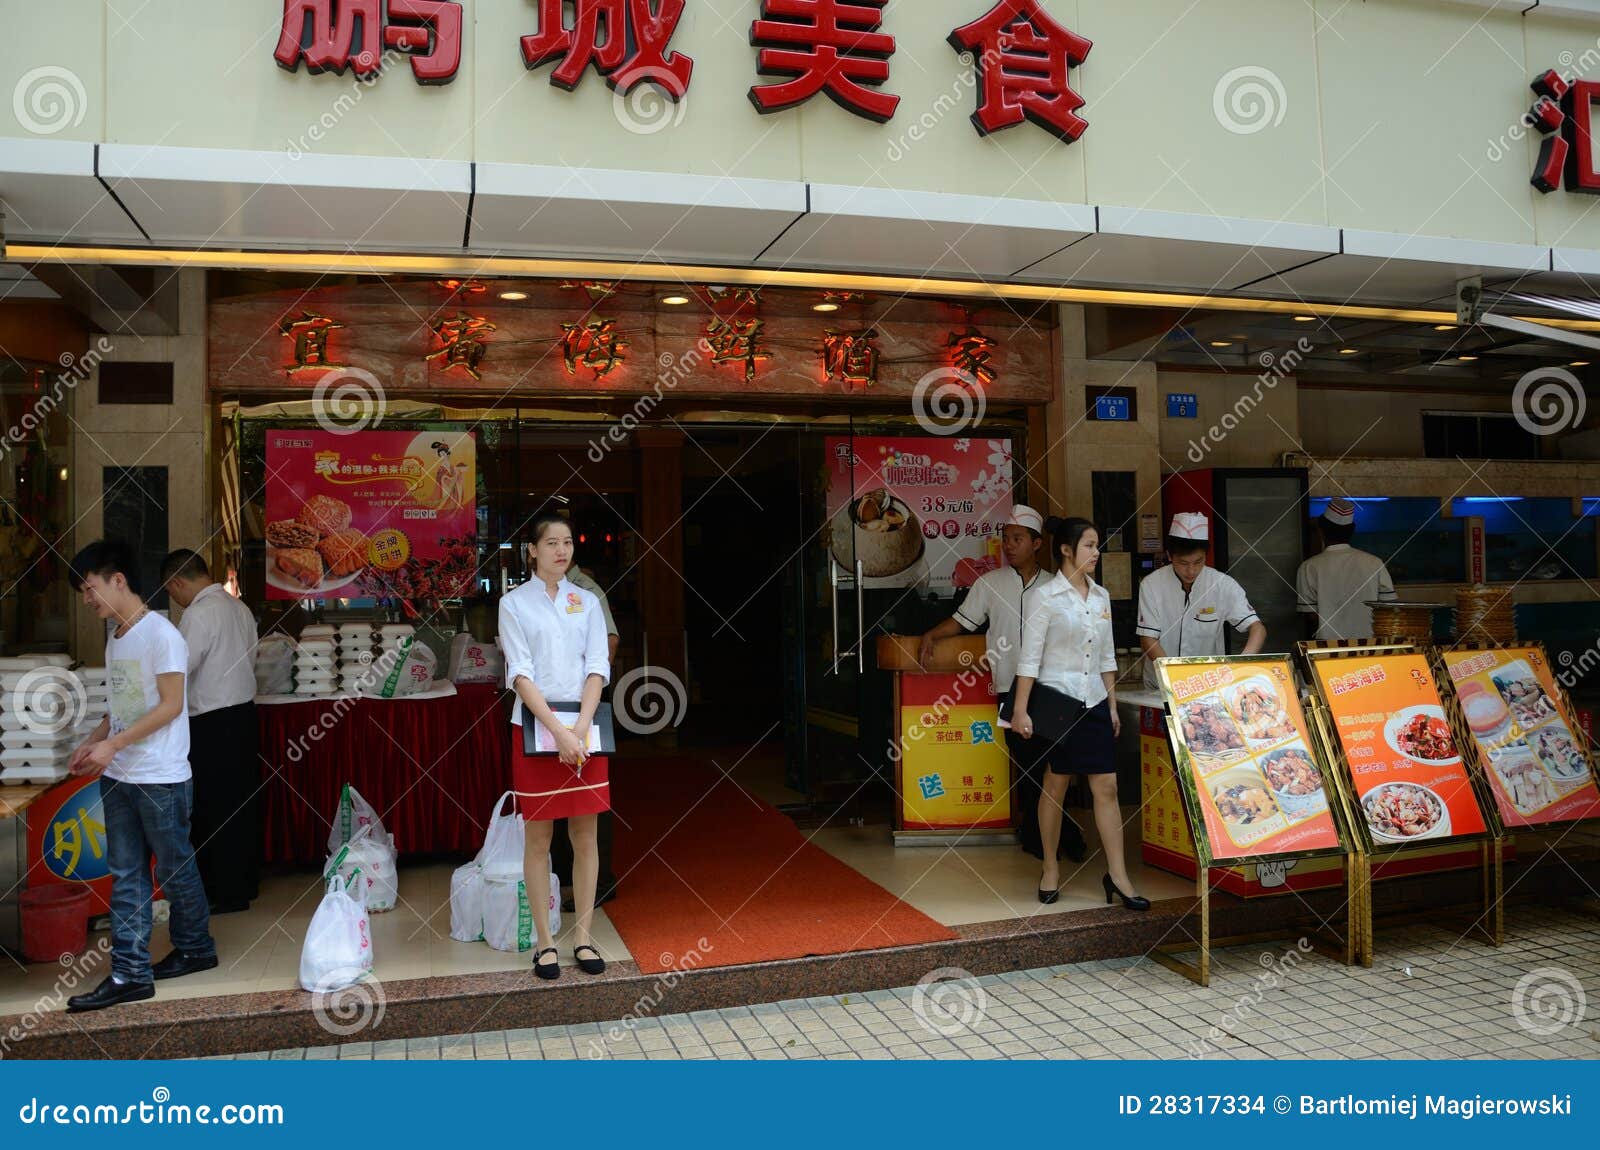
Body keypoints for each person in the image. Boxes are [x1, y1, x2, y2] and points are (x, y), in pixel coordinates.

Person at [64, 540, 217, 1013]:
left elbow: (171, 706)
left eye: (90, 590)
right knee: (126, 873)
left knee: (174, 869)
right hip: (120, 773)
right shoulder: (116, 635)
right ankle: (131, 973)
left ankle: (195, 947)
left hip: (161, 776)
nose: (87, 601)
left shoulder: (162, 634)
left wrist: (114, 745)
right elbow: (123, 707)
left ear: (118, 581)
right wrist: (96, 739)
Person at [917, 505, 1086, 862]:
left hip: (1053, 690)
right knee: (1026, 765)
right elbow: (963, 621)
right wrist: (932, 633)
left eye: (1017, 539)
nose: (1009, 545)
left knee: (1055, 766)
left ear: (1037, 543)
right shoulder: (988, 584)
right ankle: (1041, 838)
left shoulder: (1057, 587)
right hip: (1011, 689)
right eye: (1006, 539)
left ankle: (1058, 836)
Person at [1012, 518, 1149, 912]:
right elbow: (1030, 658)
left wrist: (1111, 703)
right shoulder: (1045, 597)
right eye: (1089, 545)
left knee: (1106, 786)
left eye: (1097, 545)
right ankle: (1050, 868)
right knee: (1055, 784)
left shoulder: (1101, 596)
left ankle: (1119, 875)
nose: (1097, 553)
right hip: (1058, 704)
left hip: (1093, 702)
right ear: (1067, 550)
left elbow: (1106, 657)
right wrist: (1021, 709)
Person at [498, 514, 612, 981]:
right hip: (534, 726)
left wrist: (581, 727)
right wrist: (560, 733)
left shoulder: (585, 601)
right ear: (532, 550)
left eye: (567, 542)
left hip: (585, 729)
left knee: (585, 836)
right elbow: (519, 673)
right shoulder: (513, 604)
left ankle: (583, 936)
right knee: (539, 837)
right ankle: (545, 942)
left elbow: (597, 665)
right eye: (551, 543)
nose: (561, 550)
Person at [161, 548, 261, 914]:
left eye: (171, 593)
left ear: (177, 582)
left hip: (211, 723)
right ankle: (245, 884)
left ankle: (223, 891)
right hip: (244, 716)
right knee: (241, 804)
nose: (174, 600)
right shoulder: (240, 607)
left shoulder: (198, 614)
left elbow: (179, 669)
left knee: (212, 808)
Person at [1136, 512, 1266, 691]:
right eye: (1183, 563)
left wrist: (1240, 664)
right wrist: (1171, 677)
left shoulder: (1222, 584)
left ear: (1206, 555)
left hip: (1209, 684)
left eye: (1198, 562)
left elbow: (1257, 628)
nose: (1191, 570)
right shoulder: (1151, 584)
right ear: (1170, 556)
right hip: (1161, 685)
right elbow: (1148, 638)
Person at [558, 560, 620, 910]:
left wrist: (584, 688)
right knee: (558, 792)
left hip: (584, 705)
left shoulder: (586, 590)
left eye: (562, 543)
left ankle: (601, 882)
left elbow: (608, 645)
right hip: (556, 708)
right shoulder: (537, 595)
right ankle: (565, 875)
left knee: (590, 797)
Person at [1296, 498, 1397, 641]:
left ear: (1322, 530)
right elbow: (1388, 609)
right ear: (1352, 530)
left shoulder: (1308, 567)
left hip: (1327, 648)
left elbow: (1310, 615)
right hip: (1370, 647)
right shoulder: (1375, 563)